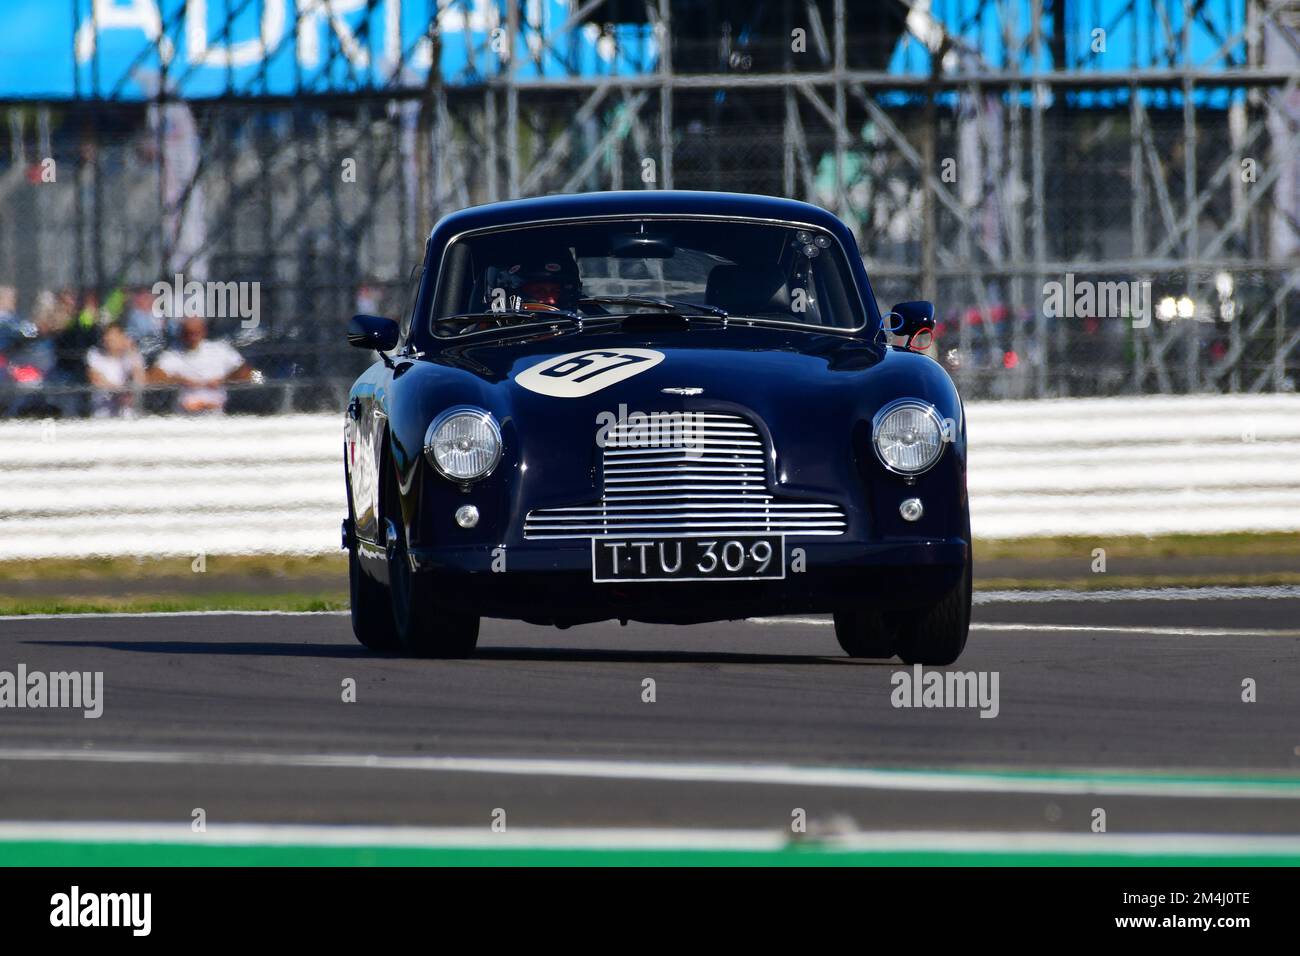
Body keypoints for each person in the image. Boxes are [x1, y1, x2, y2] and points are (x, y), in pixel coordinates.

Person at [148, 316, 253, 413]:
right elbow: (152, 379)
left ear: (203, 332)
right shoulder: (172, 354)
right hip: (185, 417)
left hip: (216, 416)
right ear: (181, 334)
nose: (192, 337)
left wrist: (223, 380)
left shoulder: (220, 350)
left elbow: (248, 374)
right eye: (188, 333)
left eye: (196, 333)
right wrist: (181, 381)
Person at [85, 323, 145, 418]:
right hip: (103, 412)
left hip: (128, 414)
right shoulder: (94, 354)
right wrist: (121, 392)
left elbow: (140, 381)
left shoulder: (133, 356)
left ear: (122, 338)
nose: (109, 341)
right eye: (107, 337)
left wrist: (130, 351)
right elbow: (96, 379)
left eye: (114, 338)